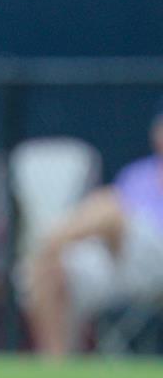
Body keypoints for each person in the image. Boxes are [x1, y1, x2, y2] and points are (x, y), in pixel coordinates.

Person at [23, 100, 163, 358]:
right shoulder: (137, 173)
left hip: (156, 256)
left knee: (109, 207)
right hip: (121, 260)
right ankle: (55, 366)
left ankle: (48, 242)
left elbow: (115, 214)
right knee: (51, 269)